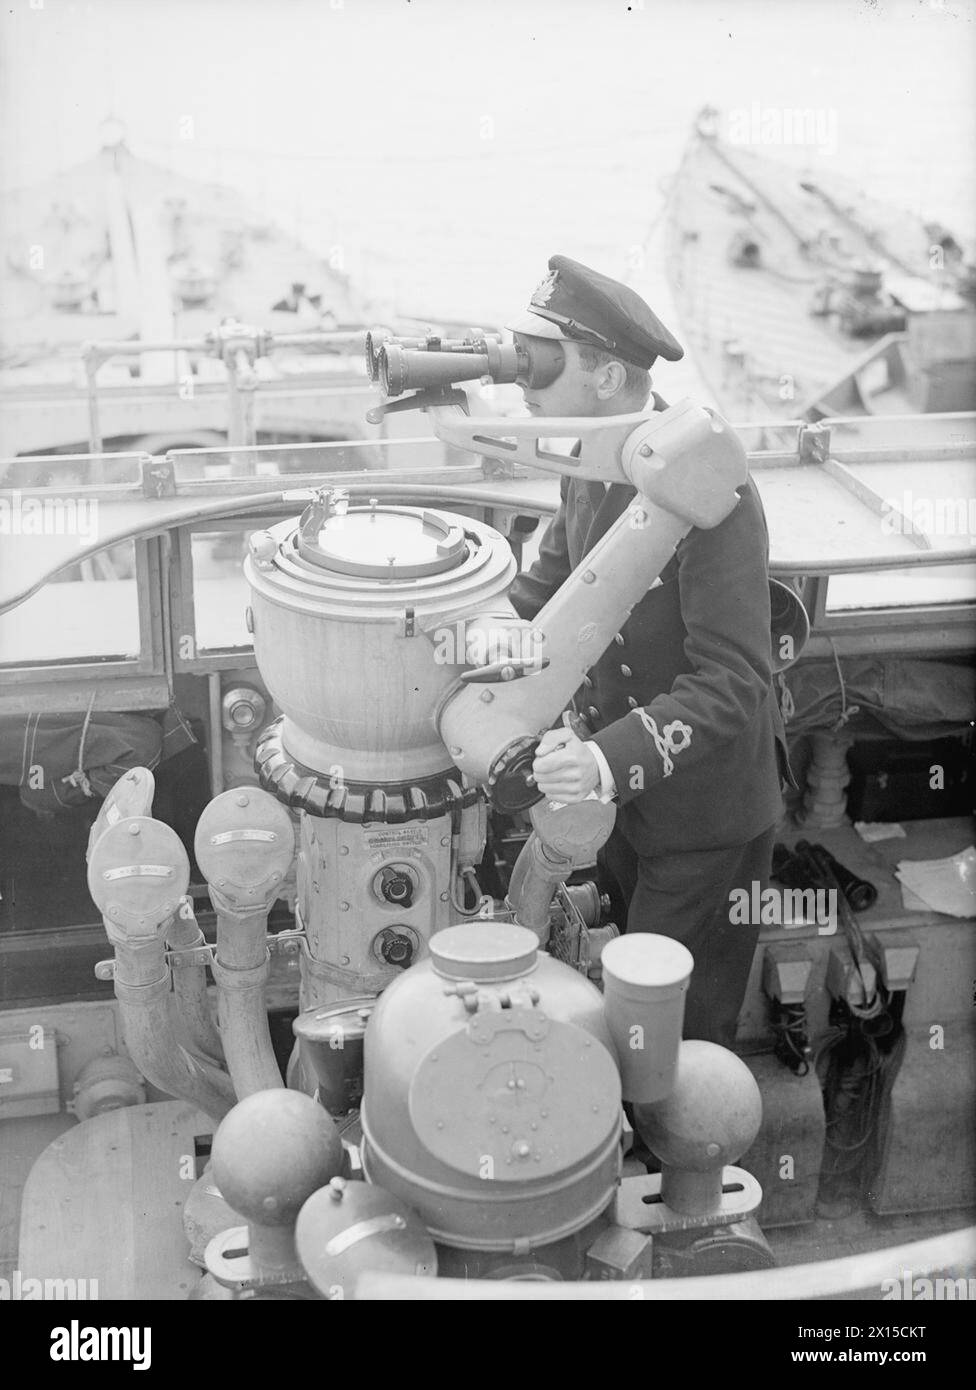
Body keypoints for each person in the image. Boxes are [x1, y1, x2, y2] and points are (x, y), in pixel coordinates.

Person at [501, 255, 794, 1049]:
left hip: (702, 819)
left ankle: (680, 1160)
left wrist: (601, 761)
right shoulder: (596, 462)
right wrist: (451, 641)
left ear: (603, 376)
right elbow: (548, 598)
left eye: (541, 363)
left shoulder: (708, 484)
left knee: (674, 1039)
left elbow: (733, 681)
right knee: (628, 995)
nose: (521, 381)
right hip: (624, 806)